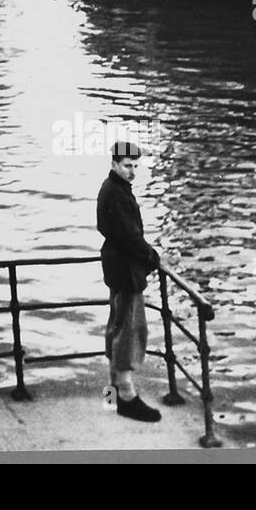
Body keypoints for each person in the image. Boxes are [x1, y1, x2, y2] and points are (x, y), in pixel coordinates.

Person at [96, 140, 163, 423]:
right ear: (114, 165)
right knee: (129, 331)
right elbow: (129, 237)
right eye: (127, 166)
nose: (132, 171)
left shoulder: (110, 188)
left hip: (115, 267)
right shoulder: (119, 194)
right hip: (126, 272)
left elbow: (107, 228)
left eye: (136, 166)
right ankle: (126, 397)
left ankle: (111, 394)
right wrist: (153, 256)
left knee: (116, 326)